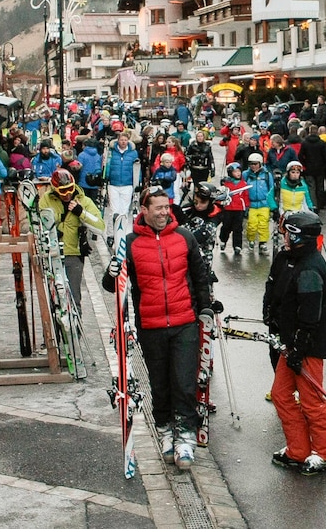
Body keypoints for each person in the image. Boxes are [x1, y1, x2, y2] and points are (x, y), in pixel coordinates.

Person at [103, 187, 214, 470]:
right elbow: (111, 285)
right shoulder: (130, 243)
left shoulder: (184, 237)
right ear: (144, 210)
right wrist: (111, 272)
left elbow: (201, 276)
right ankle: (165, 433)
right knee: (160, 386)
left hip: (184, 323)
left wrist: (206, 310)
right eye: (159, 208)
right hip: (151, 325)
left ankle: (186, 437)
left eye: (167, 207)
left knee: (184, 383)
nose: (165, 212)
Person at [263, 209, 326, 475]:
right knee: (282, 395)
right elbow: (274, 286)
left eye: (288, 233)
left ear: (299, 236)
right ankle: (299, 449)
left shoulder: (310, 268)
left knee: (311, 400)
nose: (283, 236)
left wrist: (300, 347)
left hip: (308, 346)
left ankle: (325, 453)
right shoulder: (287, 257)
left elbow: (310, 315)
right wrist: (269, 311)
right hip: (289, 342)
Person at [39, 168, 103, 307]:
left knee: (74, 298)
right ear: (55, 189)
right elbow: (39, 222)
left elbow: (100, 226)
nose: (67, 194)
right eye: (62, 191)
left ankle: (76, 324)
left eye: (70, 189)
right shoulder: (46, 200)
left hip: (74, 254)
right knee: (53, 300)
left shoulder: (84, 201)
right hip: (52, 254)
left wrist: (81, 212)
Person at [104, 128, 140, 232]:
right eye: (121, 140)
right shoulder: (111, 152)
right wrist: (106, 177)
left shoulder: (133, 153)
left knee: (124, 210)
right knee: (114, 210)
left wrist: (137, 182)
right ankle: (111, 232)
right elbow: (107, 165)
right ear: (118, 140)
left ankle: (122, 231)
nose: (123, 142)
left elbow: (137, 168)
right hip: (113, 184)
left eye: (125, 140)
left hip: (127, 183)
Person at [244, 153, 275, 255]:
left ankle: (262, 243)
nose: (253, 166)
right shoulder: (246, 174)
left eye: (255, 163)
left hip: (264, 204)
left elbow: (271, 189)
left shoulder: (267, 175)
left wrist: (272, 205)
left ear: (260, 163)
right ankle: (251, 240)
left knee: (263, 224)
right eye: (251, 164)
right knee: (252, 225)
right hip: (251, 204)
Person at [298, 125, 326, 211]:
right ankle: (320, 204)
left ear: (309, 132)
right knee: (320, 187)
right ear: (317, 132)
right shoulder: (321, 143)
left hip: (309, 168)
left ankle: (313, 205)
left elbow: (300, 155)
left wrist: (305, 164)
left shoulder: (305, 143)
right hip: (320, 169)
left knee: (311, 187)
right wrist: (323, 165)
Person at [219, 162, 249, 256]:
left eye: (239, 171)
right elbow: (221, 196)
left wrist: (247, 207)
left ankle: (237, 246)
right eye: (235, 171)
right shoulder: (227, 184)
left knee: (238, 228)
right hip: (228, 208)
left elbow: (246, 196)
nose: (238, 173)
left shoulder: (243, 183)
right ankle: (223, 240)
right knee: (226, 226)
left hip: (239, 209)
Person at [76, 138, 103, 204]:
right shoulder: (98, 155)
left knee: (83, 203)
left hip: (83, 182)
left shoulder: (82, 155)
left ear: (85, 146)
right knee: (92, 203)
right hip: (95, 183)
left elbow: (78, 168)